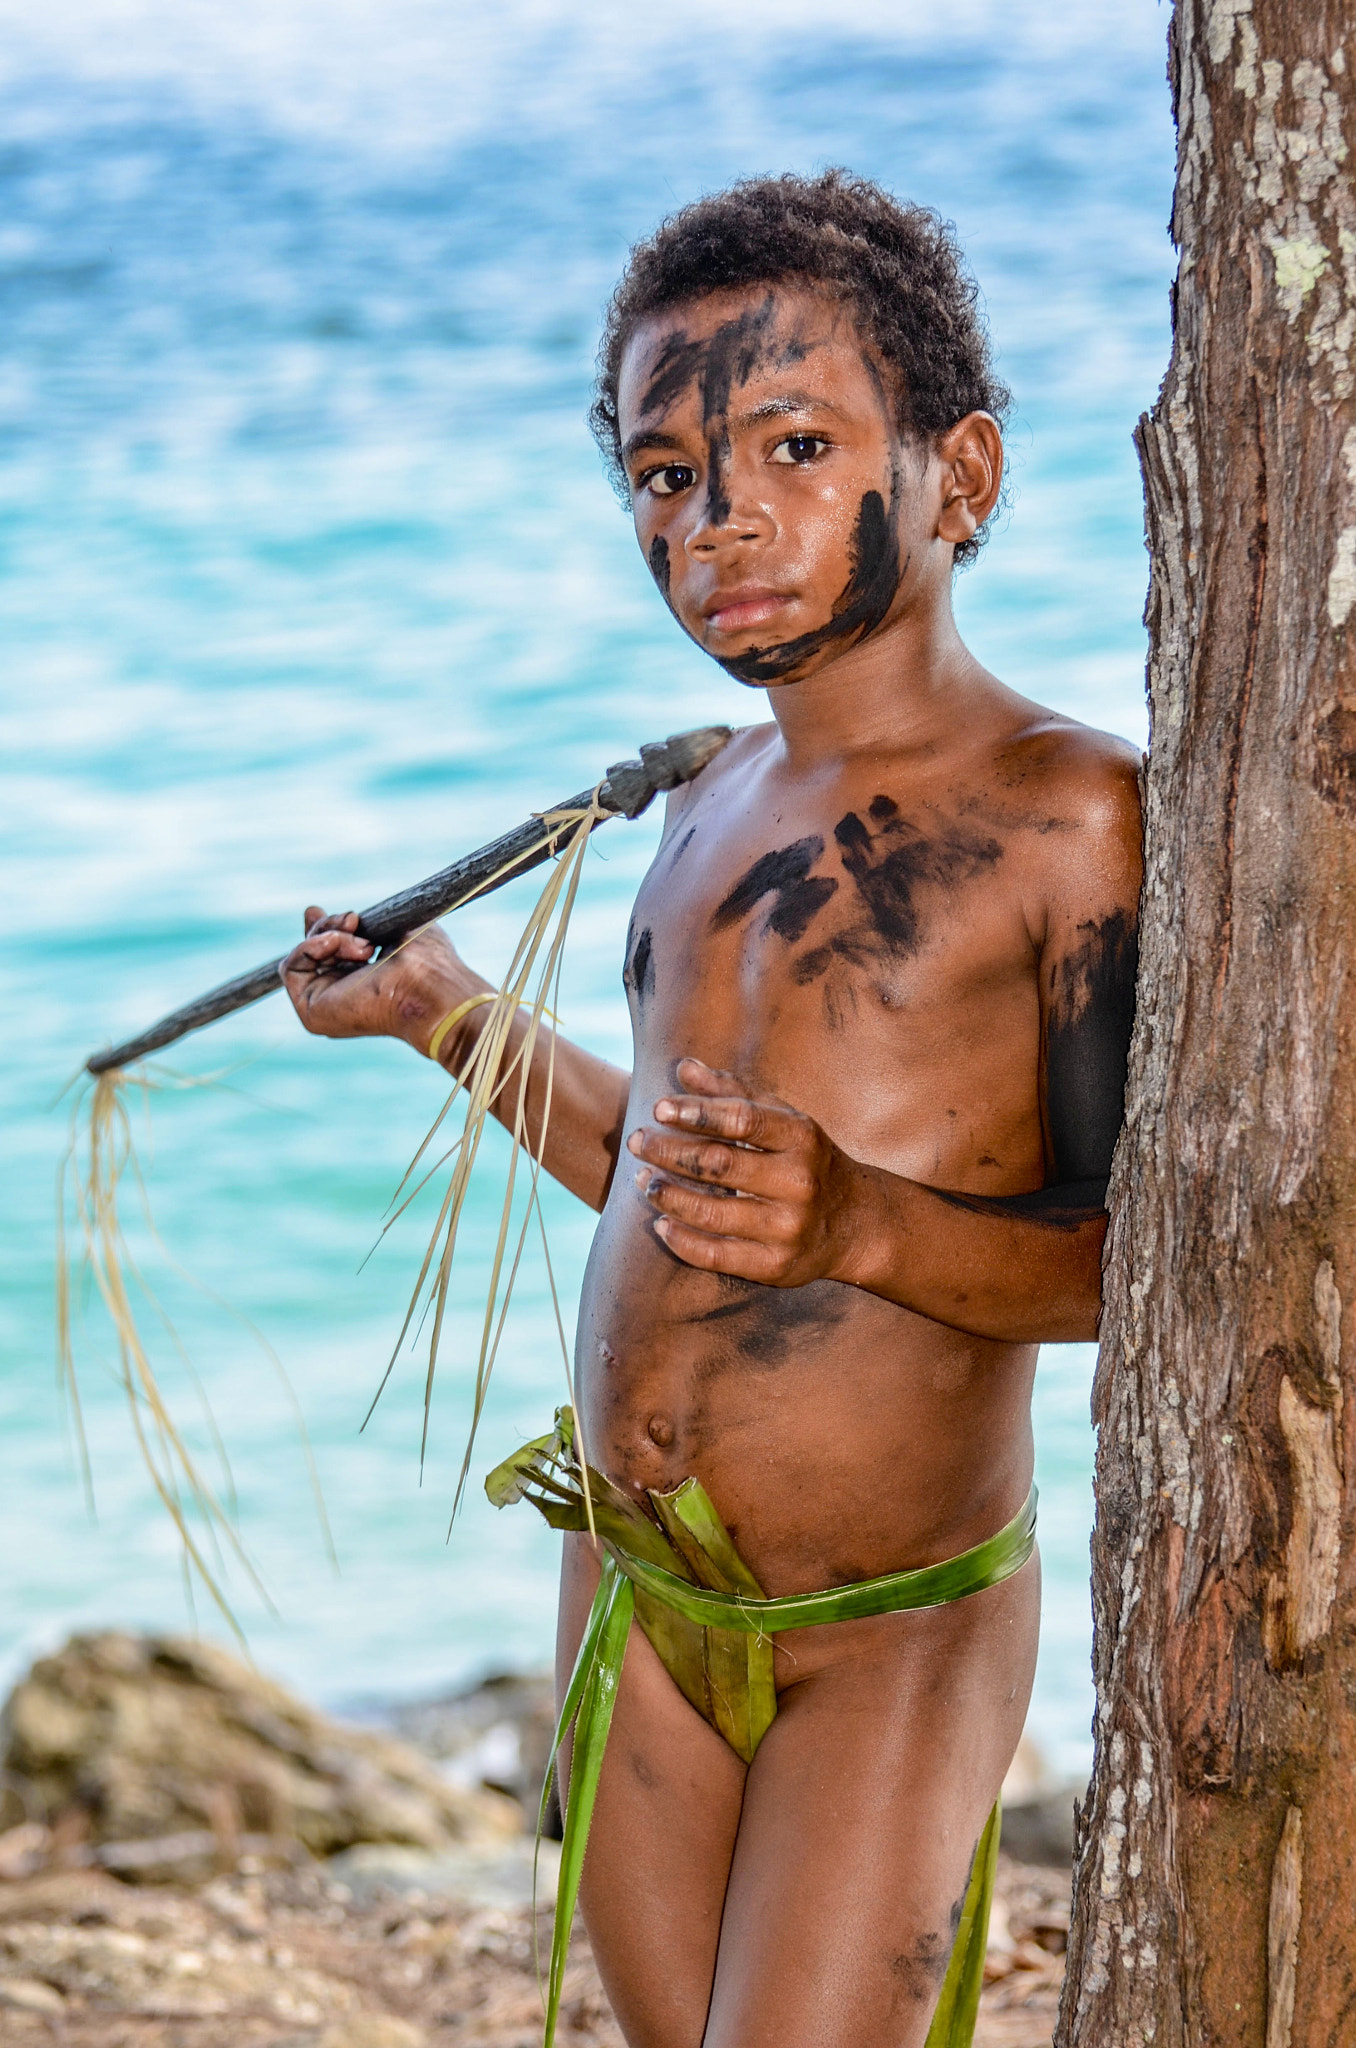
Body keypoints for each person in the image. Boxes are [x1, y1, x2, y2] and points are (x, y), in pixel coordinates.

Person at [281, 169, 1142, 2048]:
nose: (725, 516)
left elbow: (1142, 1270)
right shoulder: (703, 814)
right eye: (667, 477)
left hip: (882, 1628)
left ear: (960, 476)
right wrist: (446, 1018)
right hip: (632, 1576)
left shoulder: (1070, 818)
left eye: (798, 445)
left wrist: (862, 1226)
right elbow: (672, 1187)